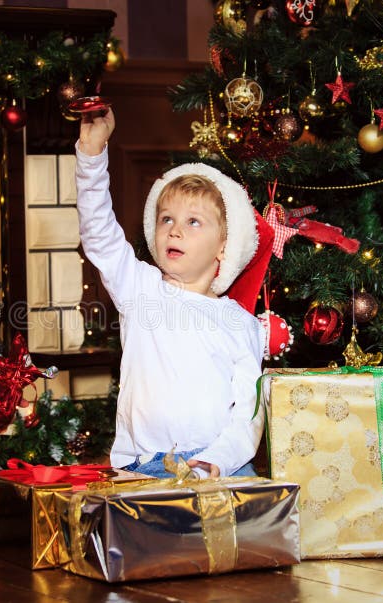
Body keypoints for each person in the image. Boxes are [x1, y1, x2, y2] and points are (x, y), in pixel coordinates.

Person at [76, 107, 275, 479]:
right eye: (166, 218)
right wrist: (91, 154)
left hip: (219, 466)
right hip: (145, 467)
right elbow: (99, 235)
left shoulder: (240, 323)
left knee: (248, 531)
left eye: (193, 221)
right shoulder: (140, 289)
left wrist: (218, 460)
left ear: (224, 247)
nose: (174, 230)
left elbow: (249, 411)